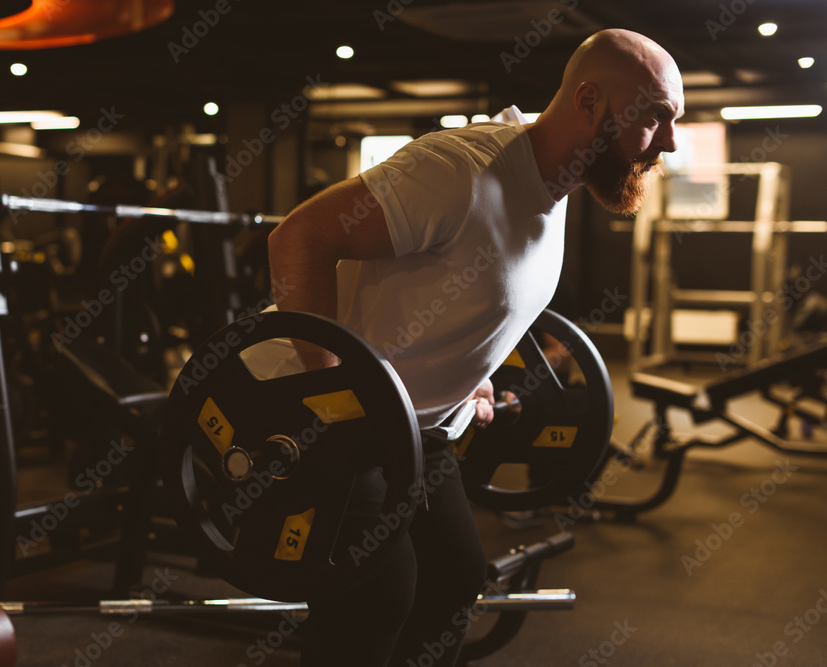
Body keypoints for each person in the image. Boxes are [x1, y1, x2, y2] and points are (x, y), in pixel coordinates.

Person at [265, 28, 684, 666]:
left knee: (455, 579)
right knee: (378, 598)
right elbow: (298, 240)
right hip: (314, 412)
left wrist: (472, 376)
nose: (670, 142)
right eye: (657, 118)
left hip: (409, 426)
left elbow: (471, 297)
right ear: (591, 100)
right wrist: (330, 396)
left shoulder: (556, 188)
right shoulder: (457, 168)